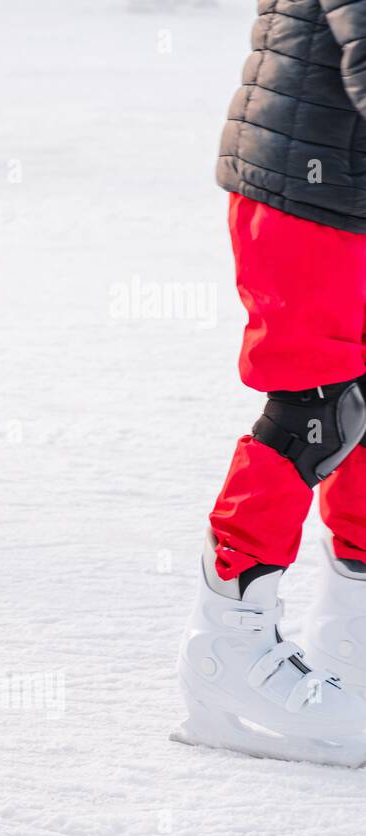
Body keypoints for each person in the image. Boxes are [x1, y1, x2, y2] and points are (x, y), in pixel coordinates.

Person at [174, 0, 366, 768]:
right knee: (315, 411)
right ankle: (227, 652)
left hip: (343, 177)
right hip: (306, 184)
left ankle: (350, 632)